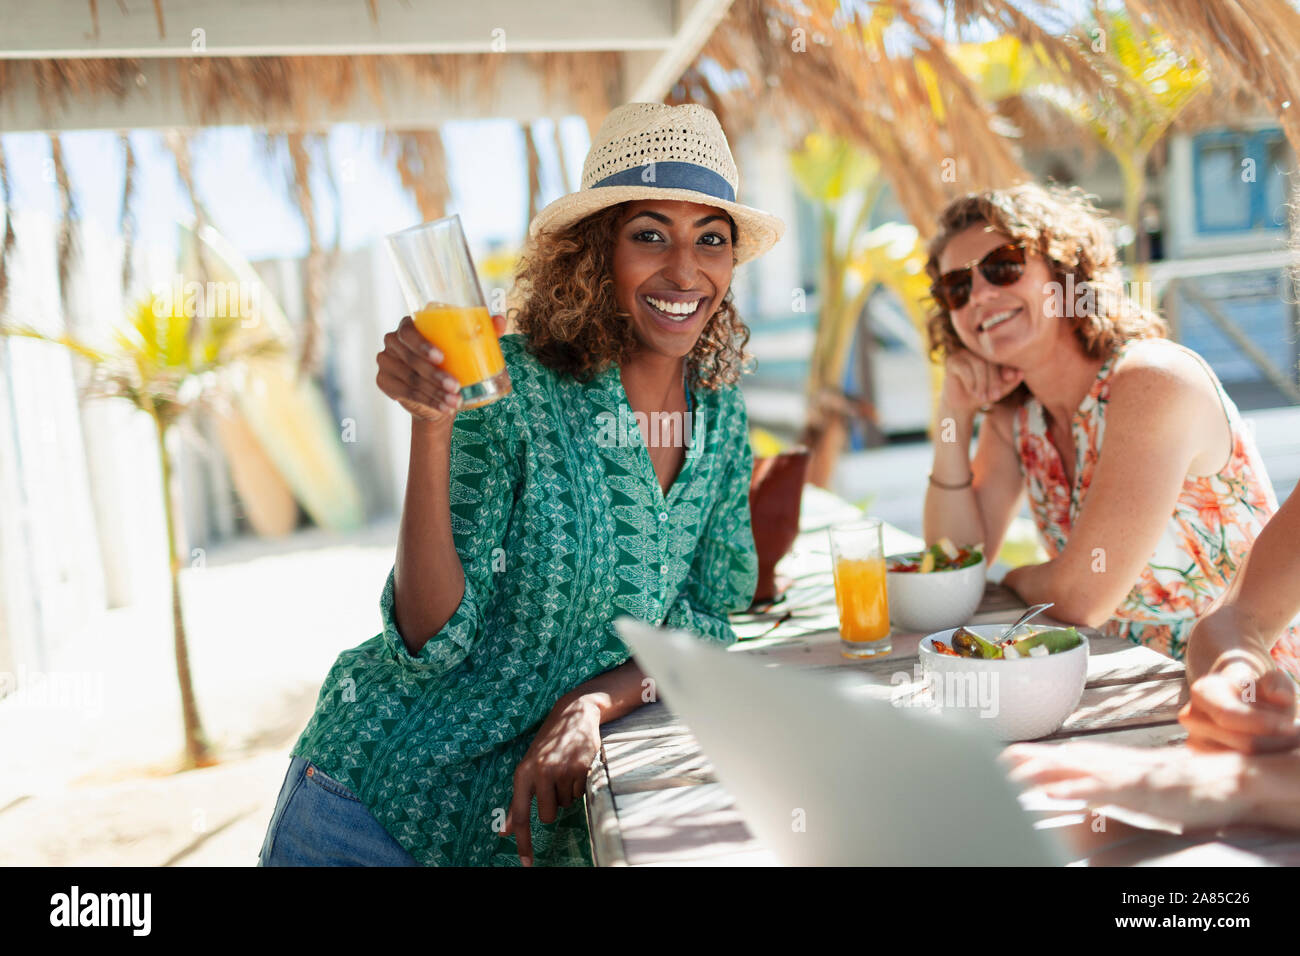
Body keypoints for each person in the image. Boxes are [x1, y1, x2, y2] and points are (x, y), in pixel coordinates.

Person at [257, 103, 784, 866]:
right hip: (377, 810)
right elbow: (428, 641)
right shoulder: (512, 391)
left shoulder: (719, 411)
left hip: (522, 841)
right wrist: (430, 426)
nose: (683, 269)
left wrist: (593, 700)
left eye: (711, 239)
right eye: (648, 235)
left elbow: (708, 615)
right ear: (596, 253)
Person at [920, 182, 1300, 677]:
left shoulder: (1153, 380)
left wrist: (1007, 577)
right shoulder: (1016, 419)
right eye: (957, 288)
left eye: (1003, 266)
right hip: (1121, 686)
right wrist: (955, 411)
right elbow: (951, 569)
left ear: (1062, 270)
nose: (981, 295)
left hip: (1249, 692)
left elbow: (1081, 598)